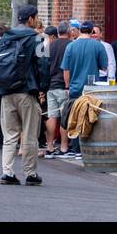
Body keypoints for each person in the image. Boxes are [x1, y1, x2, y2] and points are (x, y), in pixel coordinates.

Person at [0, 5, 45, 186]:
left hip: (6, 91)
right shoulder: (38, 38)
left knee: (9, 134)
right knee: (30, 134)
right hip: (27, 91)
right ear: (31, 19)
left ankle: (7, 172)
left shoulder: (4, 38)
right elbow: (44, 65)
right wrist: (42, 88)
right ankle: (30, 173)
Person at [60, 19, 107, 160]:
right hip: (92, 89)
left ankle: (76, 149)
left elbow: (66, 70)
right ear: (93, 31)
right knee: (91, 117)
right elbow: (104, 67)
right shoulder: (98, 46)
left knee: (75, 117)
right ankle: (89, 147)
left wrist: (67, 86)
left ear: (80, 30)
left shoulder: (70, 46)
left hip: (74, 88)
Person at [44, 21, 71, 158]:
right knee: (64, 117)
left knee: (52, 116)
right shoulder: (71, 45)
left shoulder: (50, 45)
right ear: (69, 31)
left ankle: (49, 146)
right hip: (64, 85)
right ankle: (64, 147)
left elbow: (44, 65)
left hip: (50, 85)